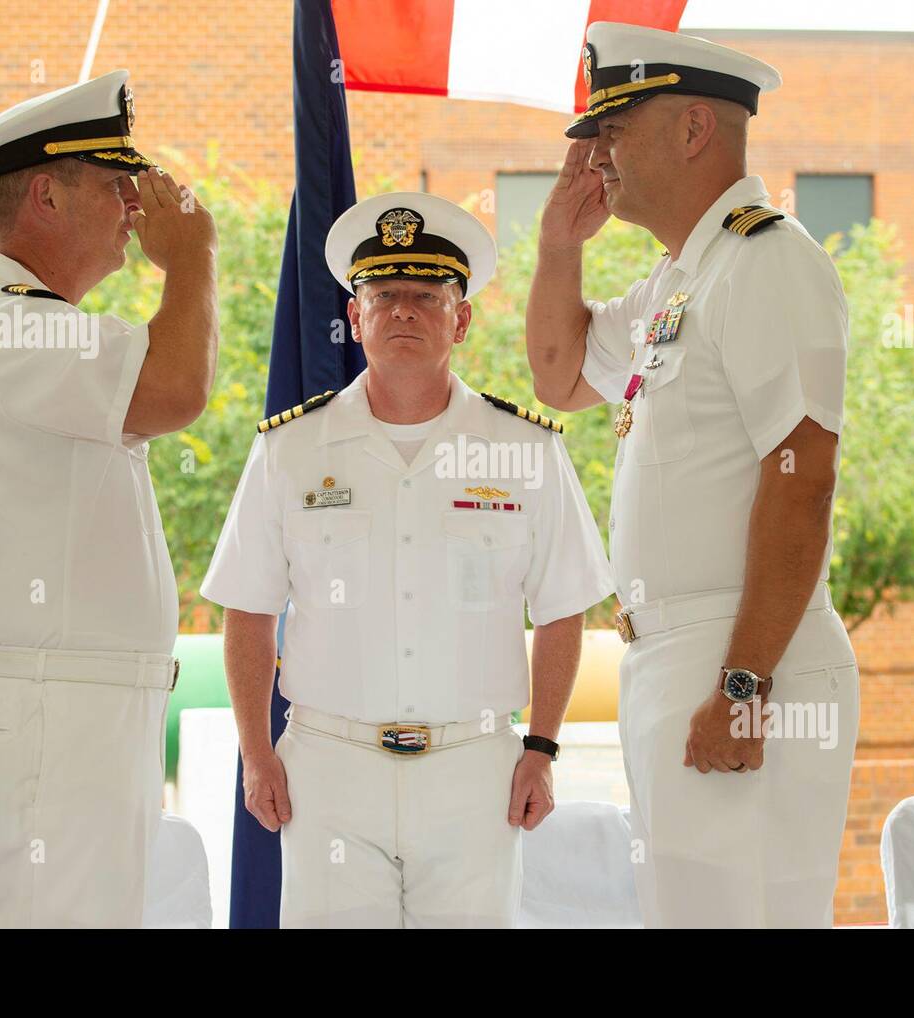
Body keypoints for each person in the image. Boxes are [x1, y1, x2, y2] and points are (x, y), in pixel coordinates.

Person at [202, 192, 614, 928]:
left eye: (428, 295)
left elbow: (562, 608)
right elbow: (248, 608)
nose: (403, 311)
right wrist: (256, 753)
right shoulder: (290, 451)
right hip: (329, 769)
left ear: (461, 318)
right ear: (354, 317)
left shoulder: (524, 451)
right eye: (383, 294)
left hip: (473, 771)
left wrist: (543, 748)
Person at [525, 21, 860, 928]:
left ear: (694, 130)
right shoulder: (679, 281)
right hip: (680, 661)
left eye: (614, 129)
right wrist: (560, 243)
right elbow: (557, 377)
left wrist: (745, 685)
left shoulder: (766, 258)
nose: (597, 154)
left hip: (746, 659)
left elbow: (802, 479)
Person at [0, 69, 219, 927]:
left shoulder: (28, 324)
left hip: (61, 714)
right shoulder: (7, 325)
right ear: (45, 195)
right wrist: (191, 258)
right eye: (116, 183)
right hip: (42, 716)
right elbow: (177, 387)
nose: (134, 204)